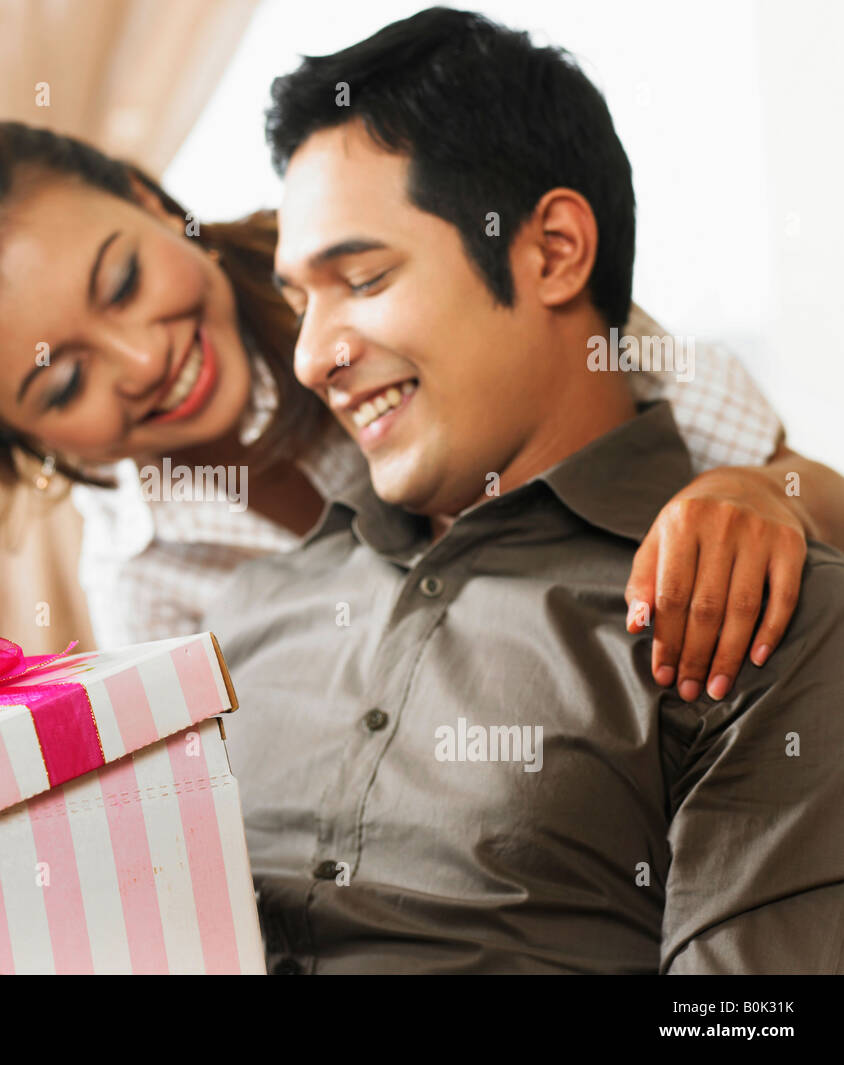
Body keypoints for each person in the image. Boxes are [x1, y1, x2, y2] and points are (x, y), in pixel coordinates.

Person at [200, 6, 844, 973]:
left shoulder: (753, 612)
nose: (311, 359)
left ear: (552, 251)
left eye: (363, 278)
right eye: (300, 303)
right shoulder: (244, 617)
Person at [0, 118, 844, 706]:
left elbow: (810, 488)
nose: (145, 359)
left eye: (124, 279)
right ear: (24, 440)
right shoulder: (147, 587)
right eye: (64, 385)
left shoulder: (417, 263)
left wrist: (759, 491)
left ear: (151, 200)